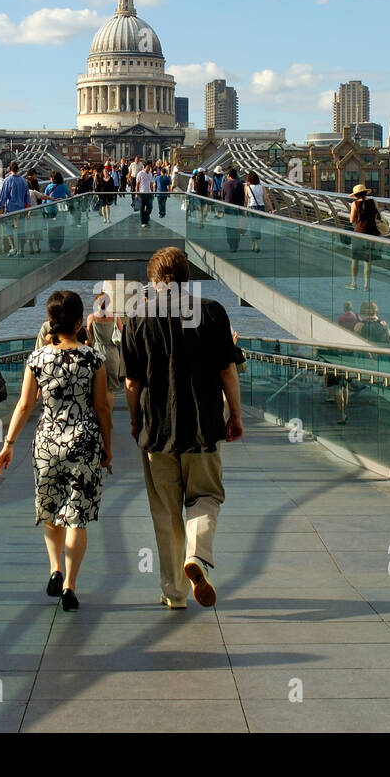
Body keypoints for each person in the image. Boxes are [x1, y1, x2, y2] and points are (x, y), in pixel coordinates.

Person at [122, 247, 243, 610]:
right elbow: (227, 371)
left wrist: (134, 421)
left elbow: (131, 382)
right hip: (204, 425)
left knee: (166, 512)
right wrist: (234, 414)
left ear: (152, 281)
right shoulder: (211, 312)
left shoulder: (137, 317)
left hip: (157, 430)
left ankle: (174, 592)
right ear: (187, 278)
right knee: (206, 497)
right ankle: (197, 554)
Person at [0, 291, 112, 612]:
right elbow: (102, 408)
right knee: (77, 517)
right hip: (84, 442)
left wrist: (8, 445)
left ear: (50, 321)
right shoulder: (94, 360)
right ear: (78, 322)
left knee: (50, 509)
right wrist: (108, 449)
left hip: (47, 442)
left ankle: (54, 569)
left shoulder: (37, 359)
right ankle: (70, 586)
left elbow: (24, 405)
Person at [86, 289, 123, 403]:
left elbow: (89, 339)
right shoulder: (115, 317)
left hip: (97, 353)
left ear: (97, 303)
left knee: (97, 387)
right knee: (110, 389)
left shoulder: (91, 318)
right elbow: (121, 335)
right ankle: (109, 412)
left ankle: (99, 414)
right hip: (112, 354)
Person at [346, 184, 380, 290]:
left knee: (355, 259)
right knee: (367, 260)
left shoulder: (355, 204)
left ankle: (354, 283)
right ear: (365, 192)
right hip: (372, 233)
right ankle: (367, 285)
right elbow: (377, 215)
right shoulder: (373, 202)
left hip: (359, 233)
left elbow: (352, 220)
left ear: (355, 195)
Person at [0, 161, 30, 256]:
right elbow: (27, 196)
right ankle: (21, 250)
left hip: (10, 210)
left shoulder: (7, 180)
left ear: (10, 169)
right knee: (21, 230)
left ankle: (13, 248)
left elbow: (3, 195)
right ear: (18, 169)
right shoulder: (23, 181)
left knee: (9, 230)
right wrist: (28, 208)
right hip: (22, 209)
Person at [44, 171, 70, 251]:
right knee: (60, 228)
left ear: (53, 178)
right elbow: (69, 195)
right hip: (60, 209)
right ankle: (58, 246)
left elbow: (45, 197)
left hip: (50, 208)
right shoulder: (63, 186)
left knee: (50, 228)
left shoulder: (49, 186)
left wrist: (43, 207)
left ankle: (51, 246)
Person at [221, 168, 245, 252]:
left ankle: (231, 245)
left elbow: (223, 197)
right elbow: (243, 198)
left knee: (229, 227)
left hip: (228, 208)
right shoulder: (240, 184)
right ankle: (236, 244)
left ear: (228, 175)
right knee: (236, 226)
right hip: (238, 208)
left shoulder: (225, 184)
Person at [245, 171, 269, 252]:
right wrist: (271, 208)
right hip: (261, 207)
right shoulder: (262, 187)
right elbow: (266, 198)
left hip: (252, 207)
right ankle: (257, 244)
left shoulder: (248, 187)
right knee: (258, 226)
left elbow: (246, 200)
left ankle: (253, 244)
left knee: (252, 226)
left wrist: (245, 209)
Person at [136, 162, 155, 227]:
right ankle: (143, 222)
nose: (149, 168)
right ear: (145, 166)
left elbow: (151, 184)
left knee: (150, 207)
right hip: (142, 193)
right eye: (148, 166)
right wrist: (136, 193)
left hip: (149, 193)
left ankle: (146, 218)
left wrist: (152, 193)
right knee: (142, 208)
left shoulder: (150, 174)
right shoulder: (140, 173)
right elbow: (137, 184)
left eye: (150, 167)